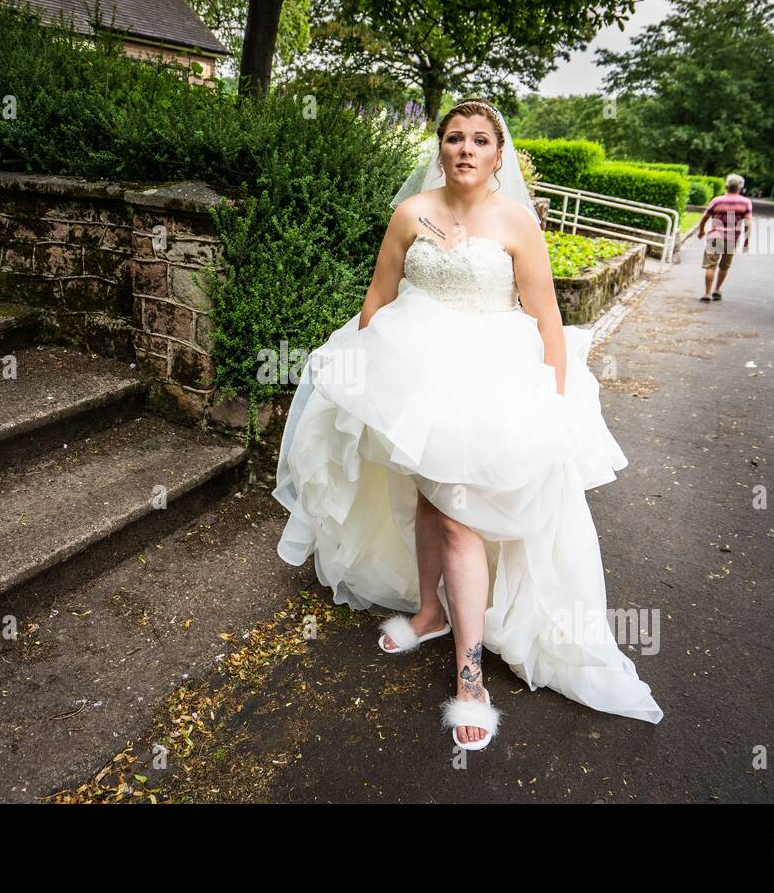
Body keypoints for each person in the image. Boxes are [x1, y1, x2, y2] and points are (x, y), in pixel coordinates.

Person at [271, 99, 664, 752]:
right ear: (441, 146)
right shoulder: (412, 213)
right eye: (455, 137)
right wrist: (364, 380)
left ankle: (470, 679)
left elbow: (544, 317)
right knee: (432, 500)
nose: (465, 148)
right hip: (411, 381)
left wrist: (558, 401)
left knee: (458, 518)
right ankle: (429, 612)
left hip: (492, 384)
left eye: (480, 139)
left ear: (498, 153)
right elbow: (379, 294)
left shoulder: (516, 222)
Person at [695, 174, 752, 302]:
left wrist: (701, 231)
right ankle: (717, 290)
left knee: (711, 267)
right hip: (732, 239)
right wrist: (747, 241)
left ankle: (707, 294)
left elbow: (704, 217)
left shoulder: (717, 200)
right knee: (724, 267)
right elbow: (748, 223)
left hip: (715, 237)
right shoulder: (746, 202)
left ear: (726, 186)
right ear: (741, 187)